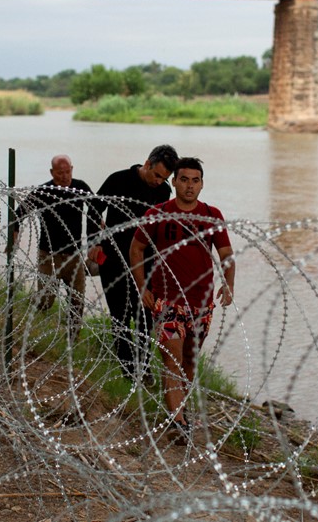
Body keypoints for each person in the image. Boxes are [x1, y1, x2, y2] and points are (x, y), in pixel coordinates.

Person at [129, 157, 234, 442]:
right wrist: (143, 287)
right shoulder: (158, 212)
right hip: (167, 303)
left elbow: (226, 255)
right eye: (184, 179)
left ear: (201, 184)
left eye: (195, 180)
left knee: (189, 360)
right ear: (174, 182)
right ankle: (177, 421)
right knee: (172, 361)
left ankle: (182, 412)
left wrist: (228, 284)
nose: (189, 186)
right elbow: (136, 249)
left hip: (201, 304)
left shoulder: (211, 214)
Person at [92, 144, 178, 383]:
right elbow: (93, 209)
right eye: (157, 175)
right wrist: (95, 241)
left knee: (144, 316)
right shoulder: (118, 180)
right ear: (147, 164)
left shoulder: (163, 191)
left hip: (145, 263)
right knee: (120, 315)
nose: (159, 181)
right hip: (114, 260)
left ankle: (145, 367)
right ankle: (127, 371)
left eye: (165, 178)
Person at [16, 154, 96, 340]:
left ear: (72, 170)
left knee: (77, 299)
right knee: (45, 300)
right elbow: (21, 211)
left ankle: (72, 337)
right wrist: (15, 229)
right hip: (49, 255)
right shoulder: (43, 191)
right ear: (52, 172)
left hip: (74, 255)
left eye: (67, 172)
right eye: (60, 173)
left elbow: (94, 209)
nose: (64, 176)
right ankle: (31, 323)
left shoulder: (81, 187)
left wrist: (96, 237)